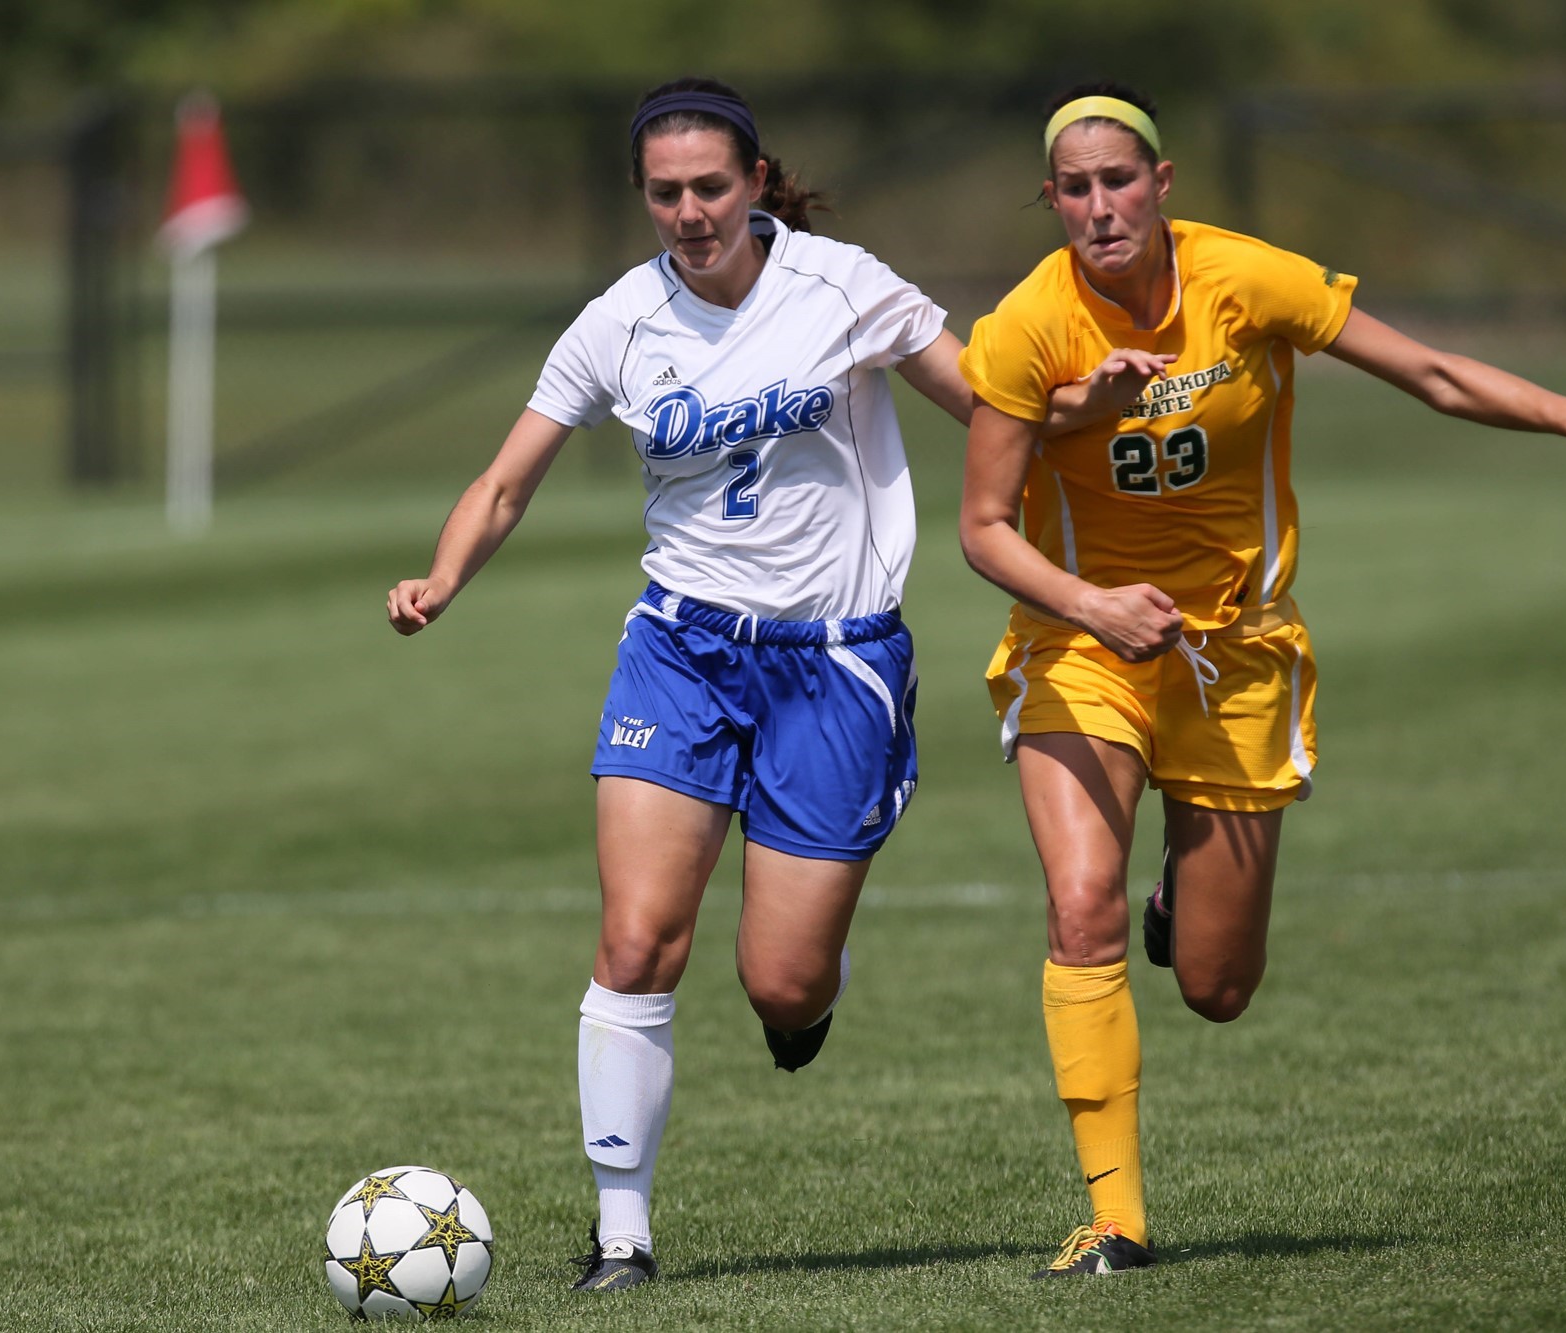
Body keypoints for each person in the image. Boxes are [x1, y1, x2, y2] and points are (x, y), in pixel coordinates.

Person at [386, 76, 1130, 1292]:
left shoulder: (843, 284)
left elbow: (981, 402)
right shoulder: (616, 321)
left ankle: (806, 996)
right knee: (634, 940)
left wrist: (1075, 408)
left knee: (779, 982)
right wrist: (441, 574)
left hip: (834, 664)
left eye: (709, 187)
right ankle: (620, 1237)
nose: (688, 212)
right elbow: (506, 478)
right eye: (665, 192)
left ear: (754, 181)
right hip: (677, 649)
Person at [956, 82, 1566, 1279]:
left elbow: (1425, 372)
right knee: (1076, 905)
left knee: (1215, 986)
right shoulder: (1022, 325)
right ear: (1050, 200)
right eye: (1074, 187)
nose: (1099, 207)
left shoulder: (1241, 277)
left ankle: (1184, 895)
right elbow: (982, 526)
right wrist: (1090, 601)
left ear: (1162, 187)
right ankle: (1114, 1219)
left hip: (1236, 651)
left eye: (1120, 181)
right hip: (1079, 642)